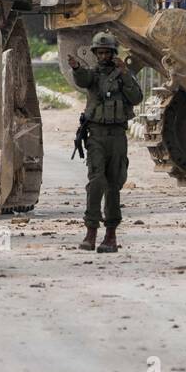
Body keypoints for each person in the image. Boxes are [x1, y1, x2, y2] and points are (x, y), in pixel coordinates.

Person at [68, 32, 142, 252]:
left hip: (117, 136)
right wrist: (76, 68)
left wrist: (126, 73)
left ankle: (110, 236)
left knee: (113, 186)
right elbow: (83, 80)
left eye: (106, 52)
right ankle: (90, 232)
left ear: (112, 53)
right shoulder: (92, 75)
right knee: (96, 182)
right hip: (97, 135)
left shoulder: (123, 76)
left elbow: (136, 97)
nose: (102, 56)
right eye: (99, 52)